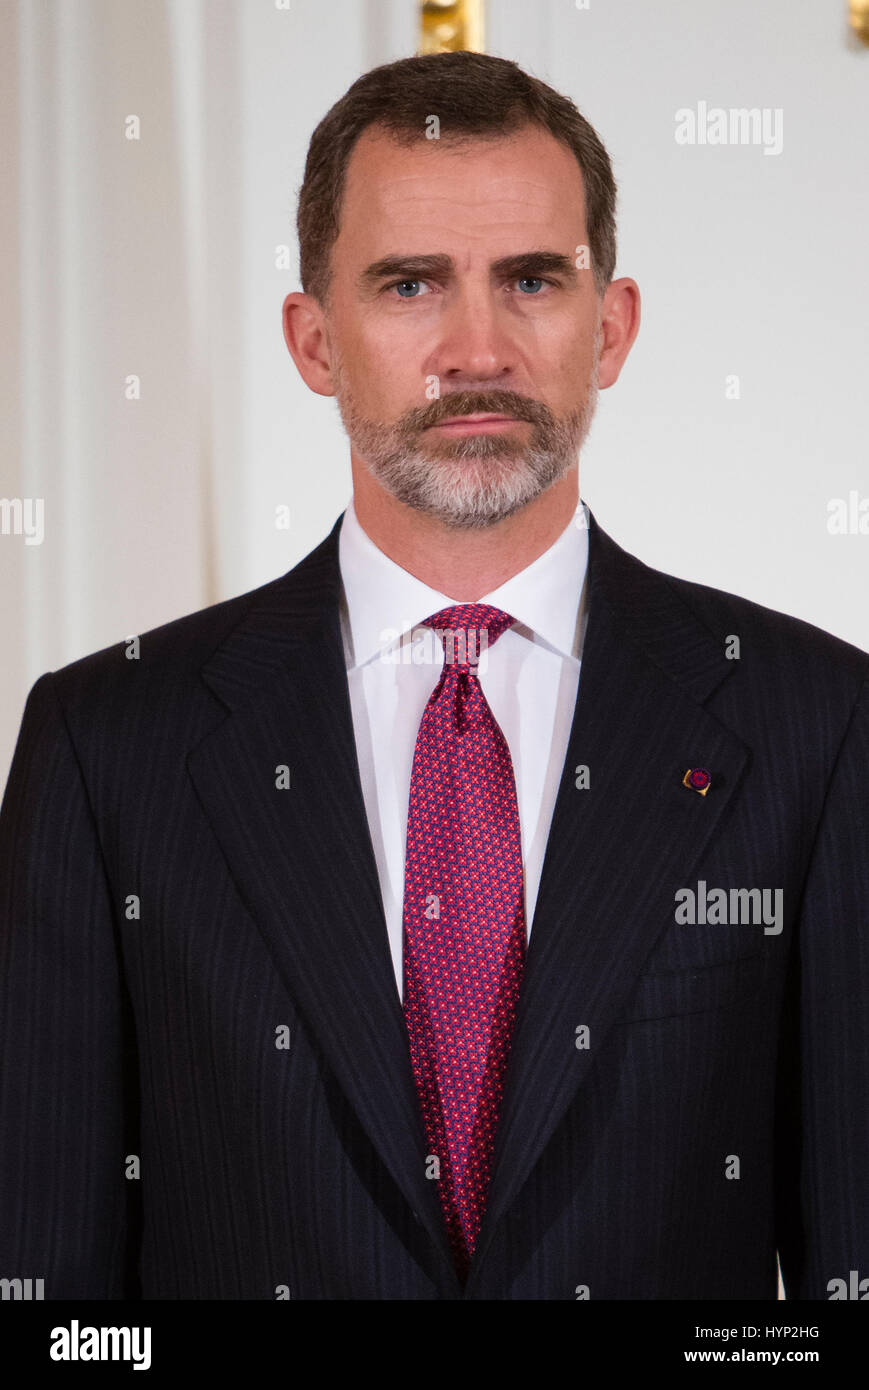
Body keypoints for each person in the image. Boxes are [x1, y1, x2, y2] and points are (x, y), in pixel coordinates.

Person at [1, 50, 867, 1301]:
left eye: (530, 280)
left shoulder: (813, 724)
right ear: (313, 340)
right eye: (409, 284)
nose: (477, 347)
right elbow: (49, 1304)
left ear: (610, 326)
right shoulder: (106, 744)